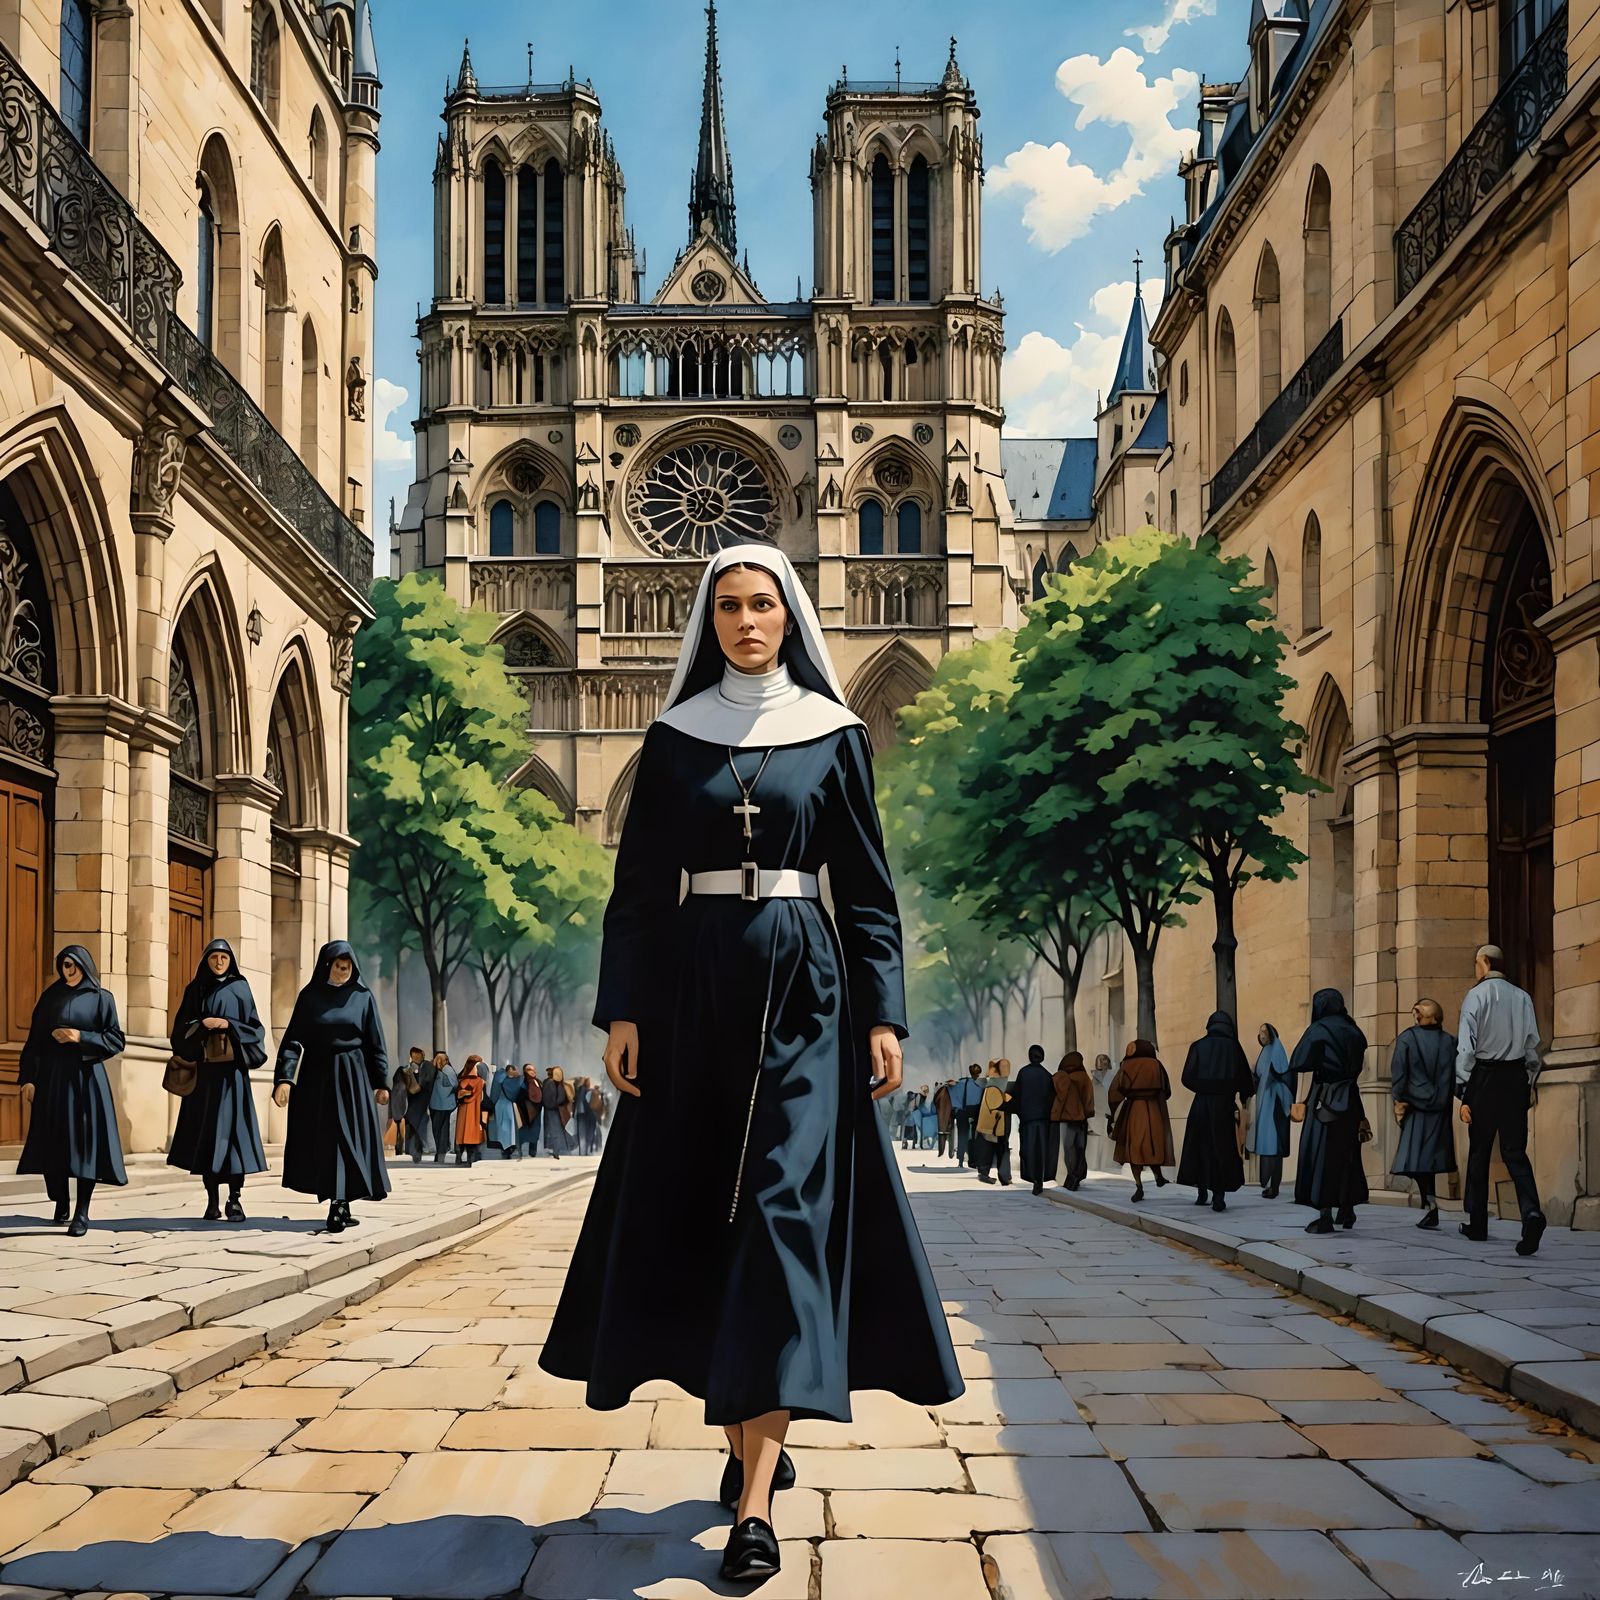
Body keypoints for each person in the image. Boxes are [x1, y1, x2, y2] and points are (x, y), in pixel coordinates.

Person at [539, 542, 961, 1585]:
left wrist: (882, 1013)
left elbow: (864, 891)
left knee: (778, 1214)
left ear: (788, 615)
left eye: (761, 603)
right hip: (690, 989)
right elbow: (637, 889)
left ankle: (757, 1503)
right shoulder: (676, 739)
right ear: (708, 618)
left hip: (806, 990)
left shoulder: (833, 737)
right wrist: (623, 1009)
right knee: (709, 1219)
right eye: (726, 605)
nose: (743, 621)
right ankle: (744, 1440)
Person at [272, 941, 391, 1234]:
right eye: (338, 966)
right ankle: (338, 1203)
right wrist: (285, 1079)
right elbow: (293, 1041)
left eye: (347, 967)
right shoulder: (309, 997)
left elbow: (376, 1043)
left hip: (353, 1077)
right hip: (317, 1078)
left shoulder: (363, 997)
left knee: (349, 1140)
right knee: (327, 1140)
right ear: (327, 966)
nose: (343, 971)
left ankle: (341, 1202)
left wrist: (381, 1082)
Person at [17, 947, 128, 1236]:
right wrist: (29, 1079)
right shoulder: (50, 997)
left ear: (85, 966)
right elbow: (34, 1042)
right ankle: (62, 1199)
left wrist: (80, 1036)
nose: (69, 970)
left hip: (86, 1080)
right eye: (65, 965)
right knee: (53, 1141)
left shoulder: (102, 999)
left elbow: (115, 1039)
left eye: (74, 965)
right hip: (52, 1079)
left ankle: (82, 1213)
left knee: (84, 1145)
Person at [165, 939, 268, 1219]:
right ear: (207, 961)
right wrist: (202, 1025)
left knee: (234, 1138)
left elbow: (255, 1029)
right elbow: (179, 1031)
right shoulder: (195, 989)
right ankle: (212, 1201)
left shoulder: (241, 989)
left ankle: (234, 1199)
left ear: (230, 960)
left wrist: (228, 1025)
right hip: (205, 1079)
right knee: (207, 1139)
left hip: (233, 1077)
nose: (219, 962)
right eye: (214, 958)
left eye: (223, 957)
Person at [1456, 944, 1546, 1255]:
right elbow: (1532, 1046)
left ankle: (1478, 1223)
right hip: (1515, 1078)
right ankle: (1531, 1212)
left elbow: (1466, 1047)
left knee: (1480, 1151)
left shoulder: (1475, 996)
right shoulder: (1523, 997)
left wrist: (1463, 1088)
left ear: (1483, 962)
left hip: (1484, 1077)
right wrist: (1529, 1081)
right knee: (1515, 1152)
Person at [1291, 987, 1369, 1234]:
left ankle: (1324, 1215)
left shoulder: (1320, 1029)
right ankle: (1347, 1208)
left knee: (1322, 1155)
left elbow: (1299, 1062)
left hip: (1325, 1098)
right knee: (1348, 1156)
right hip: (1351, 1098)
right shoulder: (1354, 1029)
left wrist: (1301, 1100)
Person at [1177, 1012, 1256, 1213]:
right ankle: (1218, 1194)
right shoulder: (1233, 1047)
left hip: (1202, 1103)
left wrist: (1204, 1087)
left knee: (1201, 1146)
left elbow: (1186, 1077)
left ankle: (1201, 1190)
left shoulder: (1198, 1046)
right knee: (1221, 1148)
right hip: (1223, 1105)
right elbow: (1246, 1079)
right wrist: (1235, 1092)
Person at [1391, 998, 1457, 1230]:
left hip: (1415, 1107)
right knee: (1428, 1158)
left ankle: (1429, 1204)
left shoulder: (1407, 1038)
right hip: (1440, 1108)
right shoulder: (1450, 1042)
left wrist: (1398, 1101)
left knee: (1417, 1161)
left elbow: (1399, 1072)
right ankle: (1430, 1204)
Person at [1107, 1039, 1174, 1202]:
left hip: (1134, 1110)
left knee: (1135, 1149)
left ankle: (1139, 1186)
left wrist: (1112, 1112)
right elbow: (1167, 1090)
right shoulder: (1156, 1065)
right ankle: (1158, 1176)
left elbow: (1115, 1091)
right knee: (1153, 1145)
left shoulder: (1126, 1066)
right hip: (1154, 1110)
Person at [1250, 1023, 1293, 1198]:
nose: (1261, 1036)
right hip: (1263, 1102)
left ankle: (1273, 1185)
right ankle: (1267, 1183)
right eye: (1260, 1033)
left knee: (1274, 1144)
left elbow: (1282, 1074)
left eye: (1264, 1032)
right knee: (1266, 1142)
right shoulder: (1265, 1052)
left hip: (1274, 1103)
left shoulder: (1277, 1051)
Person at [1012, 1045, 1058, 1195]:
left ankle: (1032, 1178)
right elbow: (1052, 1098)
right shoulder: (1047, 1075)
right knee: (1042, 1150)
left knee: (1029, 1149)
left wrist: (1020, 1113)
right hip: (1043, 1119)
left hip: (1027, 1119)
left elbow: (1016, 1096)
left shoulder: (1023, 1073)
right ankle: (1040, 1179)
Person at [1051, 1050, 1094, 1190]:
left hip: (1064, 1118)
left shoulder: (1059, 1077)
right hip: (1080, 1119)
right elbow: (1088, 1099)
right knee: (1079, 1147)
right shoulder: (1084, 1077)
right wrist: (1086, 1114)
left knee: (1067, 1147)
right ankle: (1077, 1175)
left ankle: (1070, 1176)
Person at [974, 1060, 1014, 1186]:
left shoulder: (991, 1084)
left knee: (993, 1148)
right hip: (995, 1123)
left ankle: (998, 1175)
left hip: (993, 1123)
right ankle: (1001, 1176)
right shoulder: (995, 1086)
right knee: (999, 1149)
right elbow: (997, 1102)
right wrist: (1009, 1099)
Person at [396, 1046, 433, 1161]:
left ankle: (416, 1152)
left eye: (418, 1055)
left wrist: (410, 1074)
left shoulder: (426, 1067)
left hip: (420, 1105)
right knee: (412, 1128)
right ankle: (412, 1152)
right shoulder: (409, 1069)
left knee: (417, 1128)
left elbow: (414, 1089)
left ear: (423, 1055)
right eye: (413, 1055)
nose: (416, 1057)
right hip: (412, 1106)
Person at [454, 1055, 487, 1165]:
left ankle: (459, 1155)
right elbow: (481, 1096)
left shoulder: (461, 1080)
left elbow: (459, 1094)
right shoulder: (480, 1081)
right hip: (474, 1110)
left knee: (461, 1133)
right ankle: (470, 1159)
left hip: (463, 1110)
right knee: (472, 1135)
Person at [486, 1062, 524, 1157]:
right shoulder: (508, 1079)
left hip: (500, 1103)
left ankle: (505, 1146)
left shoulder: (499, 1077)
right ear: (510, 1070)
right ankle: (508, 1146)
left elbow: (494, 1092)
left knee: (503, 1125)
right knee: (508, 1125)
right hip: (506, 1104)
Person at [426, 1050, 458, 1163]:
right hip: (441, 1104)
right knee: (441, 1129)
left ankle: (441, 1152)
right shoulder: (437, 1070)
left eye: (441, 1059)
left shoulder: (445, 1070)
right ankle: (441, 1151)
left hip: (440, 1105)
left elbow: (454, 1084)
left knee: (439, 1129)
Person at [949, 1064, 983, 1167]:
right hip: (975, 1112)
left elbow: (953, 1093)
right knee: (974, 1137)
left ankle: (960, 1160)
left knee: (962, 1136)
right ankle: (973, 1160)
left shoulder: (961, 1082)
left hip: (962, 1111)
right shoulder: (981, 1085)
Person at [541, 1065, 574, 1158]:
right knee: (556, 1131)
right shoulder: (551, 1083)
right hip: (553, 1110)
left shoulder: (553, 1083)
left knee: (556, 1131)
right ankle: (556, 1151)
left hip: (555, 1110)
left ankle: (556, 1150)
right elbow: (551, 1100)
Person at [518, 1064, 543, 1156]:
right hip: (525, 1112)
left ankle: (533, 1152)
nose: (532, 1071)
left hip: (537, 1112)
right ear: (525, 1071)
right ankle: (519, 1150)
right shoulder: (522, 1082)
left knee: (535, 1132)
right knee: (523, 1132)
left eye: (533, 1069)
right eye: (529, 1069)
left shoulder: (538, 1082)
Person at [933, 1080, 955, 1158]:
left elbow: (935, 1102)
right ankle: (950, 1152)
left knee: (942, 1132)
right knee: (951, 1133)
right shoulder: (950, 1090)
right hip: (950, 1114)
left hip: (941, 1115)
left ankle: (941, 1151)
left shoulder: (939, 1091)